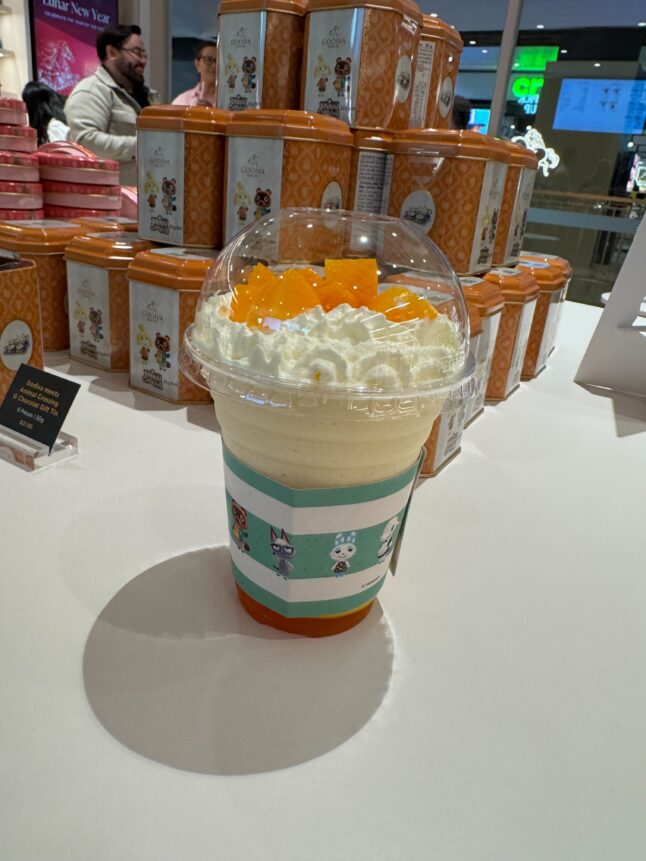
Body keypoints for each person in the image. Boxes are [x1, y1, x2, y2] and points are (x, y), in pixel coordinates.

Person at [65, 24, 152, 185]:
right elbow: (85, 141)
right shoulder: (90, 91)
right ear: (111, 52)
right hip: (108, 196)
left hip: (144, 194)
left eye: (144, 54)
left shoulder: (147, 95)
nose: (143, 61)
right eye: (137, 52)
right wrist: (142, 146)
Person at [172, 41, 217, 107]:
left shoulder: (228, 102)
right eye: (208, 60)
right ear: (197, 64)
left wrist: (212, 111)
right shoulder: (182, 101)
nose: (214, 66)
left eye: (218, 61)